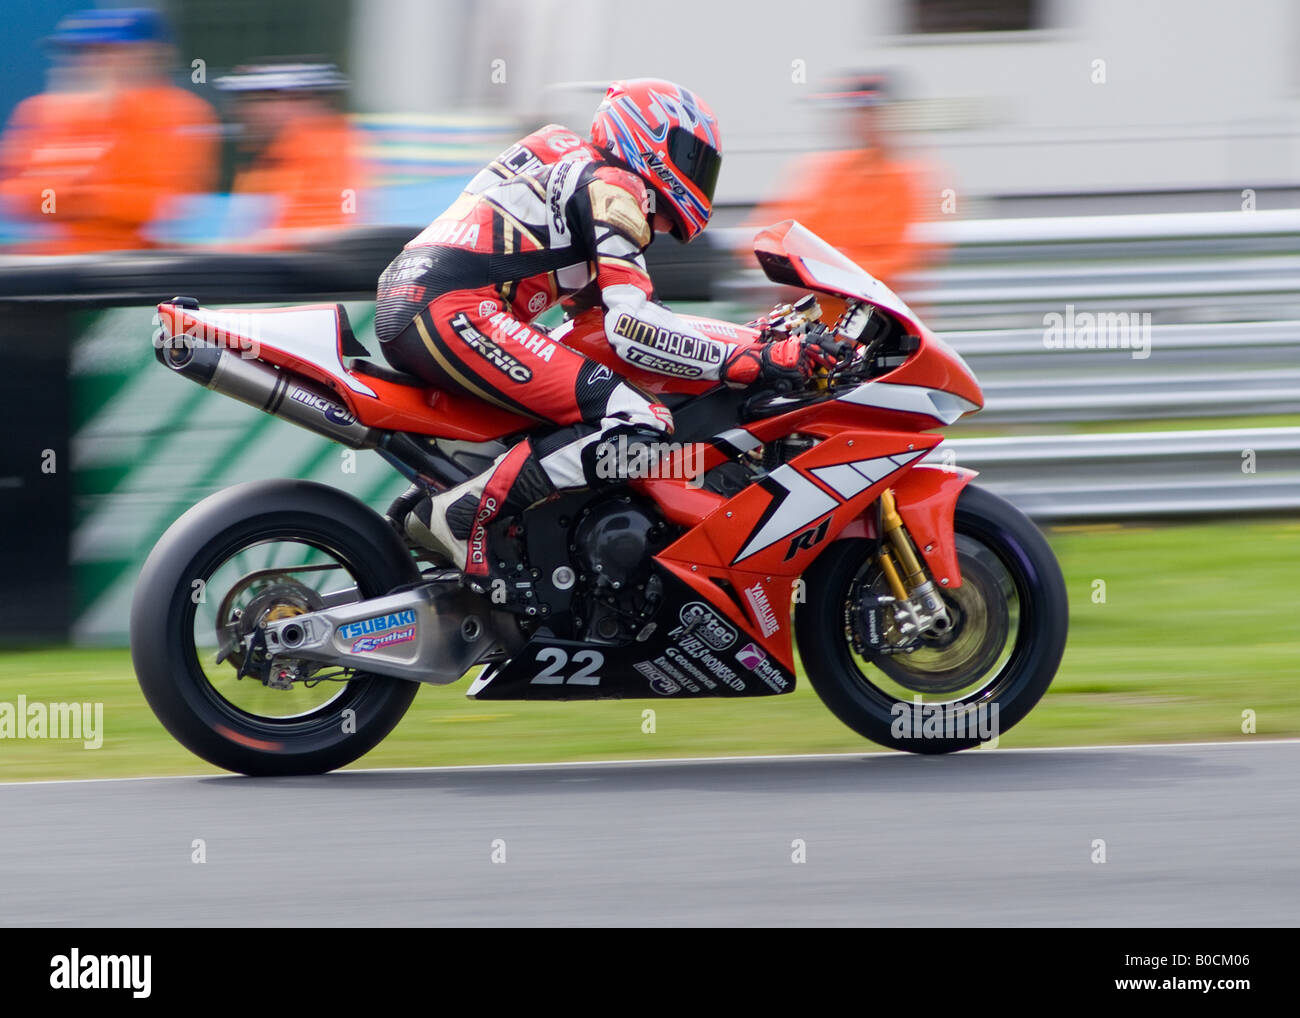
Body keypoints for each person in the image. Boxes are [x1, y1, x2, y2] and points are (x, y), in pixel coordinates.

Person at [375, 79, 816, 587]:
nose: (699, 178)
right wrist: (752, 360)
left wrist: (746, 339)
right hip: (455, 311)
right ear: (650, 138)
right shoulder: (614, 184)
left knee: (570, 408)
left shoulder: (567, 160)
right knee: (638, 418)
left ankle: (417, 518)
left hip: (422, 303)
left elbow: (598, 328)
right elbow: (630, 326)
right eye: (693, 160)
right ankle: (466, 514)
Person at [0, 7, 217, 254]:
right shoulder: (42, 111)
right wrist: (83, 197)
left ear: (147, 54)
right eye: (80, 52)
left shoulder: (178, 112)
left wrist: (78, 197)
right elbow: (20, 199)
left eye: (106, 51)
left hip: (136, 259)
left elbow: (164, 206)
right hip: (55, 253)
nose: (90, 61)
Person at [750, 72, 939, 293]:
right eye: (861, 112)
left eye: (873, 113)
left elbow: (908, 256)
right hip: (820, 312)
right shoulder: (823, 172)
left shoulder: (913, 179)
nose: (865, 122)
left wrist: (830, 271)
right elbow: (771, 237)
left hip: (884, 317)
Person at [214, 61, 366, 242]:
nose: (243, 111)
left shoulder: (334, 152)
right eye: (246, 101)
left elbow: (339, 229)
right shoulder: (268, 159)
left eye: (263, 100)